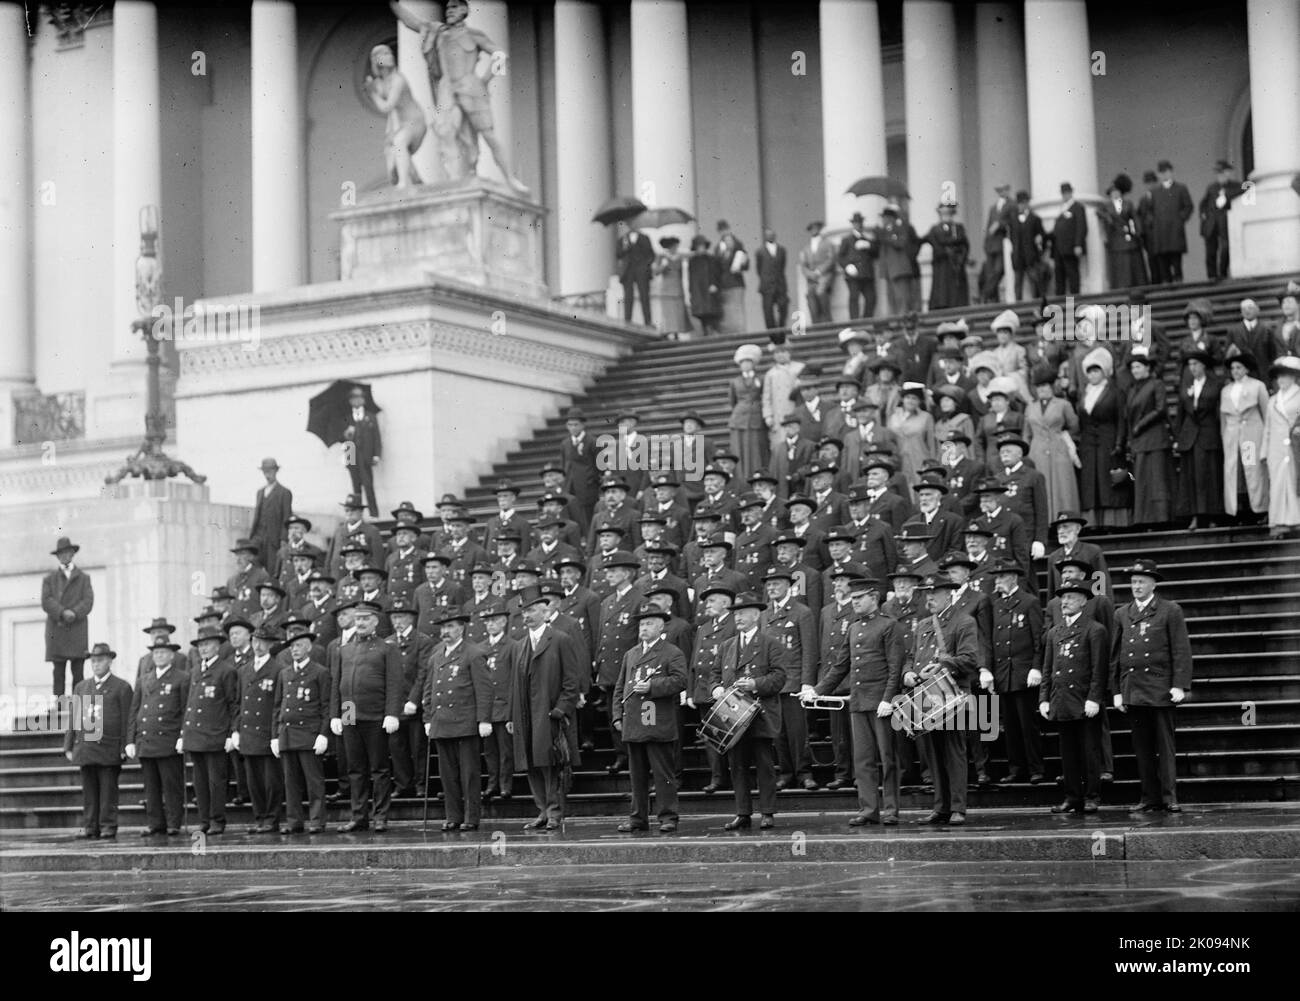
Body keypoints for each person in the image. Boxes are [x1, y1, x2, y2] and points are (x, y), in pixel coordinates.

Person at [389, 0, 528, 192]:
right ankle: (454, 180)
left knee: (488, 134)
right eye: (447, 8)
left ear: (465, 10)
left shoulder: (474, 35)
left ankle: (510, 179)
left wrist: (484, 80)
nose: (449, 11)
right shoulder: (438, 33)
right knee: (445, 134)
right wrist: (393, 5)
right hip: (447, 89)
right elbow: (410, 21)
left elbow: (501, 55)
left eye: (454, 7)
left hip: (470, 86)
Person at [807, 575, 905, 824]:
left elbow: (895, 667)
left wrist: (888, 698)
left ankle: (891, 809)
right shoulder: (853, 628)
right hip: (859, 702)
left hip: (882, 703)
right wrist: (817, 690)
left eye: (859, 598)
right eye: (852, 598)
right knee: (863, 761)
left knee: (888, 759)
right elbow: (840, 667)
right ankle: (869, 809)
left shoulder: (889, 625)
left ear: (874, 597)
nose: (855, 603)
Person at [1111, 559, 1192, 814]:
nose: (1136, 586)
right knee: (1142, 749)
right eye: (1133, 582)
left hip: (1160, 689)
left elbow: (1181, 650)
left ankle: (1170, 797)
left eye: (1141, 581)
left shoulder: (1170, 610)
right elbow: (1115, 656)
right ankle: (1149, 797)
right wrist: (1116, 691)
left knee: (1165, 748)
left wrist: (1180, 685)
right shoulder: (1122, 613)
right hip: (1133, 690)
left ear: (1153, 583)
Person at [901, 575, 979, 825]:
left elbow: (969, 660)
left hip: (953, 695)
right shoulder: (923, 624)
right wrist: (909, 674)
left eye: (934, 593)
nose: (929, 598)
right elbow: (911, 657)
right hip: (927, 696)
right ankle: (941, 806)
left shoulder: (964, 621)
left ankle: (958, 807)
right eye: (926, 593)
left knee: (954, 751)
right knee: (933, 753)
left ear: (949, 594)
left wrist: (941, 665)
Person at [709, 591, 788, 830]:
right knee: (738, 766)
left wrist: (755, 684)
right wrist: (716, 689)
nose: (738, 618)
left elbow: (780, 676)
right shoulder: (727, 646)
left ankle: (767, 812)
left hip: (760, 714)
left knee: (764, 765)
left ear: (755, 615)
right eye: (736, 614)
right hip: (733, 715)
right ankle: (742, 812)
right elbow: (713, 675)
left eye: (743, 613)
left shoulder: (770, 643)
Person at [611, 603, 688, 833]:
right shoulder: (631, 653)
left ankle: (668, 816)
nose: (644, 628)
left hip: (657, 720)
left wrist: (653, 686)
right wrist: (617, 714)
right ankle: (638, 818)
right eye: (642, 623)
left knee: (663, 773)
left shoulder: (671, 652)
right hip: (634, 721)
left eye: (649, 623)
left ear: (661, 626)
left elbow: (680, 681)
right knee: (637, 775)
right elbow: (620, 687)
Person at [511, 584, 583, 831]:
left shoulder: (560, 639)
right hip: (525, 714)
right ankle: (542, 810)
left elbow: (572, 680)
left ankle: (554, 812)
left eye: (532, 610)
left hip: (549, 714)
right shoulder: (520, 645)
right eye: (523, 612)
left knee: (551, 763)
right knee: (531, 762)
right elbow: (514, 684)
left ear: (545, 611)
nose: (527, 616)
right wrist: (513, 716)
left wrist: (561, 709)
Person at [330, 599, 403, 833]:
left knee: (380, 768)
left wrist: (392, 713)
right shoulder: (345, 649)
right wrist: (336, 714)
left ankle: (380, 816)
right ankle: (359, 815)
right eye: (358, 618)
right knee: (355, 768)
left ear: (375, 621)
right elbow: (338, 684)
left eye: (365, 619)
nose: (360, 623)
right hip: (350, 714)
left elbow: (394, 683)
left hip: (375, 715)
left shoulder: (386, 648)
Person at [415, 609, 492, 831]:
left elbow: (484, 690)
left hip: (465, 722)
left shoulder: (474, 653)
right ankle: (453, 816)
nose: (446, 632)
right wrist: (428, 718)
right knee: (447, 775)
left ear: (461, 628)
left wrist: (483, 719)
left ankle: (471, 817)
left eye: (450, 627)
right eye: (443, 627)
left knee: (469, 774)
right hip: (442, 723)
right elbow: (428, 690)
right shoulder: (436, 656)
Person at [1040, 582, 1108, 813]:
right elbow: (1048, 668)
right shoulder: (1054, 632)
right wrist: (1044, 698)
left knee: (1089, 752)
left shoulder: (1094, 629)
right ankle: (1072, 796)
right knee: (1067, 753)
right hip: (1062, 700)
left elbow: (1099, 669)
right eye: (1063, 598)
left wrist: (1094, 698)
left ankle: (1092, 796)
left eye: (1070, 597)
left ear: (1082, 601)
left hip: (1084, 699)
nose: (1064, 602)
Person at [980, 560, 1044, 784]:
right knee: (1011, 725)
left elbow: (1038, 639)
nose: (997, 581)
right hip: (1003, 673)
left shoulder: (1029, 602)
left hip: (1024, 673)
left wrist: (1037, 666)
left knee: (1028, 724)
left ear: (1013, 578)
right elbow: (989, 639)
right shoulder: (995, 605)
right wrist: (988, 669)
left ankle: (1035, 768)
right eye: (995, 577)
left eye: (1001, 576)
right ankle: (1016, 768)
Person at [63, 643, 132, 839]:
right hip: (85, 747)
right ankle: (90, 826)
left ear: (110, 661)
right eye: (93, 661)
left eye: (100, 660)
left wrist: (124, 746)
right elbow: (74, 717)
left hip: (109, 748)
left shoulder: (122, 687)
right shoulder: (81, 686)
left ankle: (108, 825)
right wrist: (68, 745)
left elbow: (127, 719)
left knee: (108, 791)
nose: (96, 664)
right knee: (89, 792)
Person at [271, 626, 332, 834]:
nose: (294, 650)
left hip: (309, 733)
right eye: (291, 646)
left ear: (308, 647)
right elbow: (278, 706)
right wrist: (275, 736)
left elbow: (326, 706)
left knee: (313, 782)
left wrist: (323, 734)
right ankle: (294, 821)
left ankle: (317, 820)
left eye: (298, 645)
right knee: (291, 783)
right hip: (287, 733)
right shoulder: (285, 673)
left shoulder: (320, 672)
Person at [127, 636, 190, 837]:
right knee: (151, 787)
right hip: (146, 740)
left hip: (168, 740)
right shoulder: (143, 679)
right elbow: (134, 711)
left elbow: (185, 710)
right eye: (156, 652)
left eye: (163, 652)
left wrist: (183, 735)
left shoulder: (181, 677)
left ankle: (173, 823)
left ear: (172, 655)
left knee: (172, 786)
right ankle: (155, 823)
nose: (159, 656)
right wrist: (130, 739)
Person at [182, 625, 240, 835]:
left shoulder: (226, 671)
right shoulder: (196, 670)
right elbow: (190, 703)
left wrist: (232, 732)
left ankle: (217, 819)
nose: (203, 648)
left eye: (207, 644)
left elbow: (233, 704)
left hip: (216, 735)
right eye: (200, 645)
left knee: (216, 782)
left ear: (217, 646)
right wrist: (184, 732)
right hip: (196, 735)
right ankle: (204, 819)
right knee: (200, 782)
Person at [233, 625, 287, 834]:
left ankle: (272, 818)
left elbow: (278, 704)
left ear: (270, 645)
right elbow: (237, 703)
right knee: (253, 781)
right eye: (255, 641)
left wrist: (276, 735)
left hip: (266, 732)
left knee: (271, 781)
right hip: (248, 733)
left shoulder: (278, 669)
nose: (258, 646)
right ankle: (259, 817)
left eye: (262, 642)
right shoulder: (244, 670)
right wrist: (235, 730)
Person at [364, 43, 427, 188]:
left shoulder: (398, 80)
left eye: (389, 53)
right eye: (384, 54)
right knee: (392, 153)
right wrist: (372, 88)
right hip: (402, 124)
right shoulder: (382, 82)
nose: (390, 56)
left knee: (399, 143)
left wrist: (372, 94)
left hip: (415, 122)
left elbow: (386, 107)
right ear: (377, 60)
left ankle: (404, 183)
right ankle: (415, 179)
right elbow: (377, 92)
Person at [1174, 351, 1225, 529]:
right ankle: (1195, 515)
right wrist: (1178, 437)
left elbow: (1217, 411)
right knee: (1192, 477)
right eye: (1190, 365)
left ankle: (1212, 515)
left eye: (1196, 364)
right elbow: (1180, 413)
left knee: (1210, 475)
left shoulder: (1214, 385)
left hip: (1208, 434)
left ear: (1203, 365)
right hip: (1190, 436)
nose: (1193, 368)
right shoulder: (1186, 384)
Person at [1125, 349, 1175, 528]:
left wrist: (1141, 425)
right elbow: (1128, 416)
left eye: (1138, 367)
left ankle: (1162, 517)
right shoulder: (1132, 389)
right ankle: (1145, 518)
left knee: (1158, 479)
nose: (1135, 371)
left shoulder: (1156, 384)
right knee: (1143, 481)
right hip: (1139, 441)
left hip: (1155, 437)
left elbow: (1161, 409)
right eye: (1132, 368)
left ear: (1147, 367)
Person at [1025, 367, 1082, 518]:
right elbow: (1027, 433)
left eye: (1045, 386)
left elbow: (1074, 426)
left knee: (1062, 484)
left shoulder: (1063, 404)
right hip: (1037, 449)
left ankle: (1065, 517)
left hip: (1058, 447)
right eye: (1038, 386)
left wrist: (1064, 437)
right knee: (1040, 485)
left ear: (1051, 386)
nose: (1042, 389)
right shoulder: (1030, 407)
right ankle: (1045, 520)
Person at [1219, 352, 1269, 523]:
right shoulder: (1226, 390)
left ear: (1246, 369)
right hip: (1233, 438)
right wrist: (1225, 437)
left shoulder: (1257, 386)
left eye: (1239, 367)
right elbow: (1224, 420)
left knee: (1252, 470)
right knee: (1235, 472)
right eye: (1233, 368)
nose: (1235, 371)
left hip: (1250, 436)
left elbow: (1266, 413)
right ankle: (1239, 510)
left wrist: (1266, 438)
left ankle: (1258, 508)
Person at [42, 536, 94, 697]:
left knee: (78, 673)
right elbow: (46, 601)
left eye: (67, 553)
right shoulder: (49, 579)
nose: (64, 556)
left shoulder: (84, 578)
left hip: (77, 631)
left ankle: (77, 711)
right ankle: (60, 710)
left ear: (72, 554)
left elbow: (88, 601)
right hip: (57, 632)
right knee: (58, 673)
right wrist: (63, 612)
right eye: (61, 554)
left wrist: (75, 613)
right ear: (57, 557)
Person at [1264, 356, 1300, 537]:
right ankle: (1280, 521)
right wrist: (1263, 452)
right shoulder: (1272, 401)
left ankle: (1296, 520)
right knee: (1278, 483)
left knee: (1295, 482)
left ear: (1293, 377)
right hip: (1276, 448)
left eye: (1285, 376)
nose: (1281, 380)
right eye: (1279, 377)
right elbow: (1267, 429)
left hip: (1295, 446)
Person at [1148, 159, 1194, 284]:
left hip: (1175, 230)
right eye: (1161, 172)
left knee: (1176, 260)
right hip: (1160, 231)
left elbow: (1188, 206)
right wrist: (1154, 223)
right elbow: (1150, 210)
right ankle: (1166, 285)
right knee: (1163, 261)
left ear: (1171, 172)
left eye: (1166, 172)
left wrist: (1180, 219)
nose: (1164, 175)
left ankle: (1178, 282)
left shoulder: (1180, 188)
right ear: (1158, 174)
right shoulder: (1155, 192)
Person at [727, 343, 769, 481]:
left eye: (748, 362)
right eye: (743, 362)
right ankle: (741, 478)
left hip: (756, 416)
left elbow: (766, 396)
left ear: (754, 363)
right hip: (739, 418)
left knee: (757, 448)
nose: (745, 365)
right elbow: (732, 401)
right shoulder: (735, 381)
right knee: (740, 449)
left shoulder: (761, 379)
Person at [1098, 174, 1147, 289]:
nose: (1115, 194)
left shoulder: (1128, 204)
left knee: (1133, 264)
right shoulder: (1107, 207)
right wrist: (1107, 218)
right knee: (1120, 265)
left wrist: (1137, 232)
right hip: (1116, 238)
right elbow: (1099, 213)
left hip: (1129, 237)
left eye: (1117, 191)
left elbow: (1135, 219)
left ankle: (1137, 283)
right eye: (1112, 192)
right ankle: (1120, 286)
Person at [1198, 159, 1242, 280]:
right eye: (1218, 173)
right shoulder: (1212, 187)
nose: (1220, 175)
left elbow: (1248, 186)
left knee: (1225, 249)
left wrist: (1227, 196)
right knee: (1210, 252)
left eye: (1222, 172)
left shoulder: (1236, 186)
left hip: (1225, 223)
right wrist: (1204, 215)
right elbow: (1203, 204)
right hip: (1212, 224)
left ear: (1228, 173)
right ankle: (1211, 276)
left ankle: (1222, 273)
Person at [922, 202, 970, 310]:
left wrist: (960, 257)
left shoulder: (958, 228)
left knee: (956, 291)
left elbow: (964, 244)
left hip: (955, 263)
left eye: (948, 213)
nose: (946, 216)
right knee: (942, 288)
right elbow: (935, 243)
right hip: (942, 263)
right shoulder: (935, 229)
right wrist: (946, 250)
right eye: (943, 213)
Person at [248, 458, 293, 573]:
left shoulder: (284, 492)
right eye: (265, 471)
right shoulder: (260, 492)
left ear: (276, 471)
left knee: (273, 571)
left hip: (273, 540)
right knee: (253, 570)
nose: (268, 474)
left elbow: (286, 518)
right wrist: (252, 538)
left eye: (270, 471)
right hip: (258, 538)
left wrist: (283, 540)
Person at [560, 406, 600, 528]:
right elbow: (564, 465)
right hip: (570, 487)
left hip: (587, 488)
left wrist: (592, 481)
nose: (573, 428)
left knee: (587, 519)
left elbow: (598, 466)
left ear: (583, 425)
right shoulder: (565, 444)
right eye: (570, 425)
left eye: (576, 424)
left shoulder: (592, 441)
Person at [888, 383, 936, 485]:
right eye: (908, 397)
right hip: (899, 460)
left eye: (914, 398)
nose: (910, 401)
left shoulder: (926, 417)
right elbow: (888, 440)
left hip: (919, 459)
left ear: (919, 401)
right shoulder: (893, 417)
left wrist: (932, 463)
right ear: (902, 399)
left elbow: (932, 443)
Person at [1008, 190, 1047, 301]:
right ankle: (1018, 304)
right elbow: (1012, 237)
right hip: (1018, 256)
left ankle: (1038, 302)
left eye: (1023, 203)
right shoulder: (1013, 220)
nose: (1021, 205)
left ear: (1027, 203)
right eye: (1019, 203)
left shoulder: (1035, 219)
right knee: (1018, 283)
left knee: (1035, 282)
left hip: (1031, 256)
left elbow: (1041, 234)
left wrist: (1039, 239)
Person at [838, 212, 877, 320]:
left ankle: (866, 319)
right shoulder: (847, 240)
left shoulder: (867, 239)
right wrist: (847, 266)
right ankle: (854, 322)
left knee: (871, 298)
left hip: (867, 274)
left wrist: (869, 245)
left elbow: (875, 253)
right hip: (853, 275)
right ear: (853, 224)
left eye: (860, 223)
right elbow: (840, 257)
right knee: (854, 298)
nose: (859, 225)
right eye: (856, 223)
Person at [1049, 182, 1086, 296]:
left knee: (1072, 274)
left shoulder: (1077, 207)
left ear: (1071, 193)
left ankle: (1075, 300)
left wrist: (1078, 244)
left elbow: (1081, 227)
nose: (1065, 195)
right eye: (1063, 193)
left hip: (1070, 248)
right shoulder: (1062, 208)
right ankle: (1060, 302)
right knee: (1059, 276)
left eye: (1067, 192)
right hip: (1058, 249)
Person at [615, 221, 654, 326]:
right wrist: (625, 248)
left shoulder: (644, 238)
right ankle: (627, 321)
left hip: (641, 270)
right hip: (628, 271)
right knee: (628, 297)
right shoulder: (623, 239)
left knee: (644, 296)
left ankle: (648, 321)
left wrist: (645, 265)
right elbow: (618, 254)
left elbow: (651, 254)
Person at [978, 183, 1013, 303]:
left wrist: (1000, 224)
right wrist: (986, 242)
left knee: (999, 270)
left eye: (1003, 190)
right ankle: (991, 297)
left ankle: (985, 294)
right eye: (999, 190)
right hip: (992, 245)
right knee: (991, 272)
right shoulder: (993, 208)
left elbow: (1011, 222)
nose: (1001, 193)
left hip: (1002, 244)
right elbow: (989, 226)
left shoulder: (1011, 205)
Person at [651, 235, 691, 335]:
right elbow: (655, 271)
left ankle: (677, 332)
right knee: (669, 313)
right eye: (674, 246)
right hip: (667, 289)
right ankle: (670, 332)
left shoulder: (680, 257)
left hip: (678, 288)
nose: (676, 248)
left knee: (678, 313)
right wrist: (663, 266)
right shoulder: (661, 257)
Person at [714, 219, 749, 333]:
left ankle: (740, 332)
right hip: (723, 284)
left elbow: (745, 264)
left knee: (737, 309)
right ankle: (730, 333)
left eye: (725, 230)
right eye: (721, 231)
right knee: (727, 311)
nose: (724, 233)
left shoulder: (738, 246)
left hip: (735, 283)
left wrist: (742, 263)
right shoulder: (718, 248)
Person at [799, 220, 836, 323]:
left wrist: (819, 271)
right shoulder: (806, 248)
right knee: (810, 295)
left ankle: (828, 320)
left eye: (815, 228)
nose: (813, 230)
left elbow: (831, 259)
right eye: (811, 228)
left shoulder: (827, 243)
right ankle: (816, 324)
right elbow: (803, 265)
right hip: (812, 278)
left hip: (824, 275)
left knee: (820, 292)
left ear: (819, 229)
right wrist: (810, 274)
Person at [687, 235, 722, 337]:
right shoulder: (692, 261)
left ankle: (711, 330)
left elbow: (715, 273)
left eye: (702, 246)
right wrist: (691, 290)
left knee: (710, 310)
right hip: (697, 290)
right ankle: (705, 331)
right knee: (700, 312)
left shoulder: (711, 259)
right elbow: (691, 277)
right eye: (698, 247)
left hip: (709, 288)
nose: (700, 249)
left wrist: (714, 284)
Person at [755, 227, 790, 330]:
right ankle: (772, 336)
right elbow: (759, 269)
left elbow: (782, 266)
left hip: (780, 285)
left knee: (783, 309)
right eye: (768, 234)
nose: (770, 236)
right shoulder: (760, 251)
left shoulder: (782, 250)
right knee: (768, 313)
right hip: (767, 286)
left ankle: (781, 331)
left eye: (772, 234)